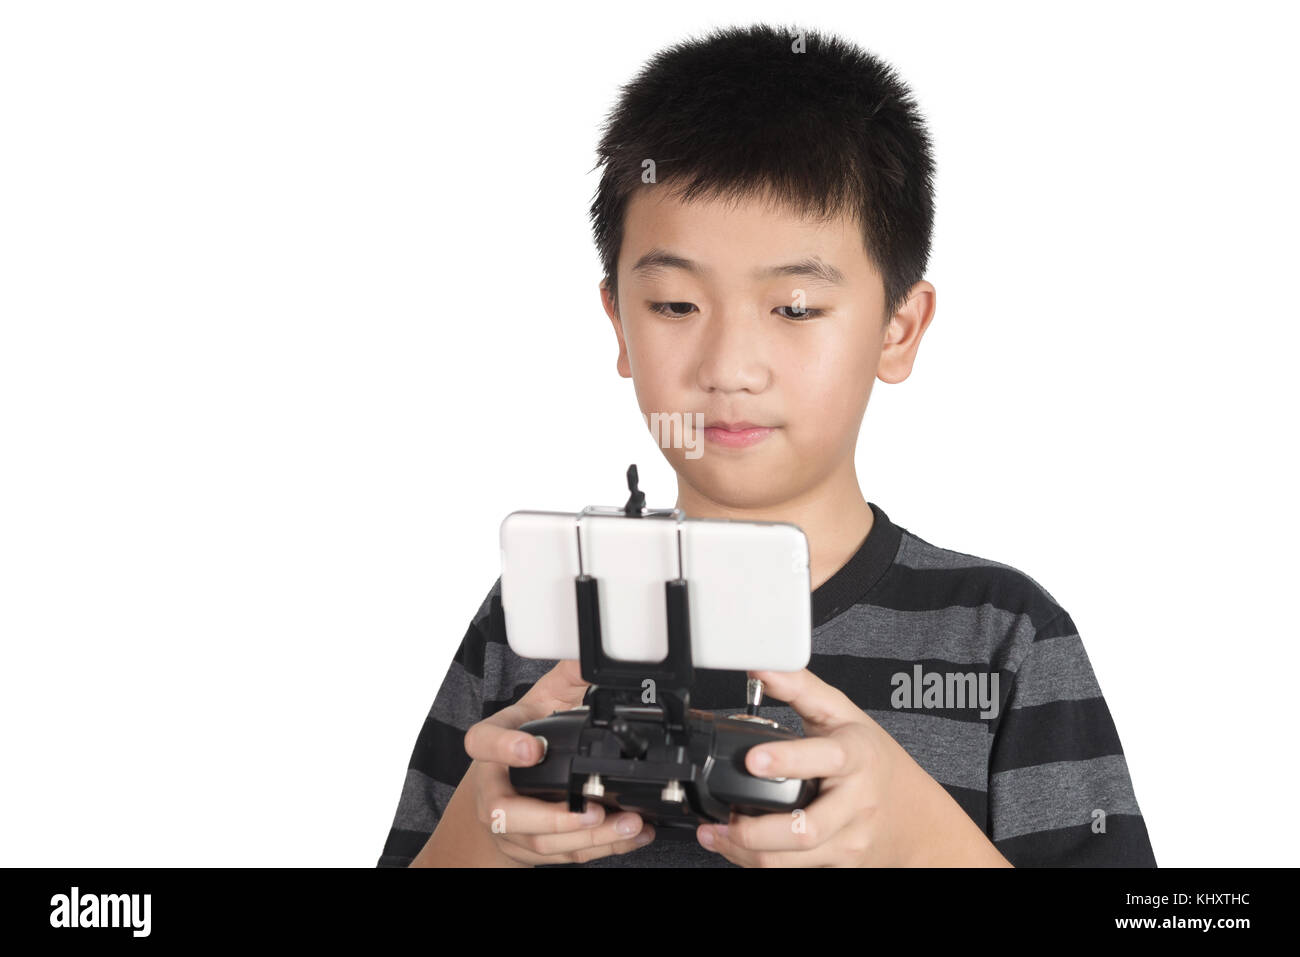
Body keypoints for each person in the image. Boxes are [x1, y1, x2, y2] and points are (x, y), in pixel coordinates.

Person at [377, 22, 1156, 867]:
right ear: (619, 324)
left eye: (794, 308)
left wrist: (911, 832)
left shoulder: (1001, 637)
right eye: (676, 305)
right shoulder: (535, 624)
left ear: (900, 327)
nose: (730, 368)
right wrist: (478, 837)